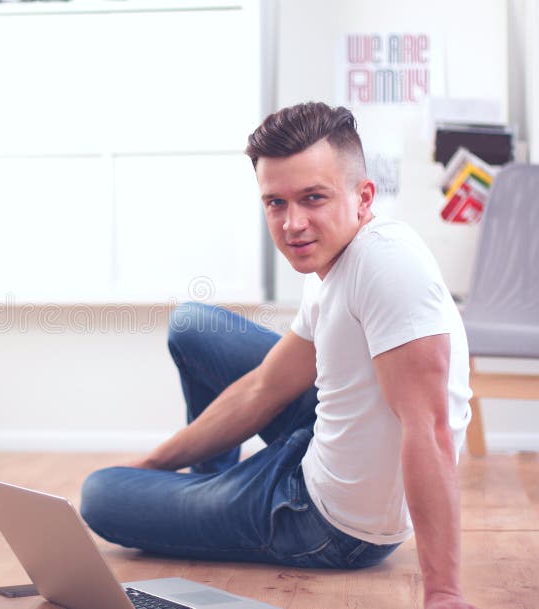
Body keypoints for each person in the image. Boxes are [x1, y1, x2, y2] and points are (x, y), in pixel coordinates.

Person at [80, 102, 477, 609]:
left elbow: (432, 430)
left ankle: (211, 501)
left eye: (313, 198)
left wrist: (444, 593)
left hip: (327, 520)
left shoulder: (387, 266)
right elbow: (264, 388)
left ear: (363, 197)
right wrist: (153, 465)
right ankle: (209, 488)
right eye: (276, 203)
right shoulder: (334, 258)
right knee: (192, 325)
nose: (293, 224)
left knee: (101, 493)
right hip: (322, 442)